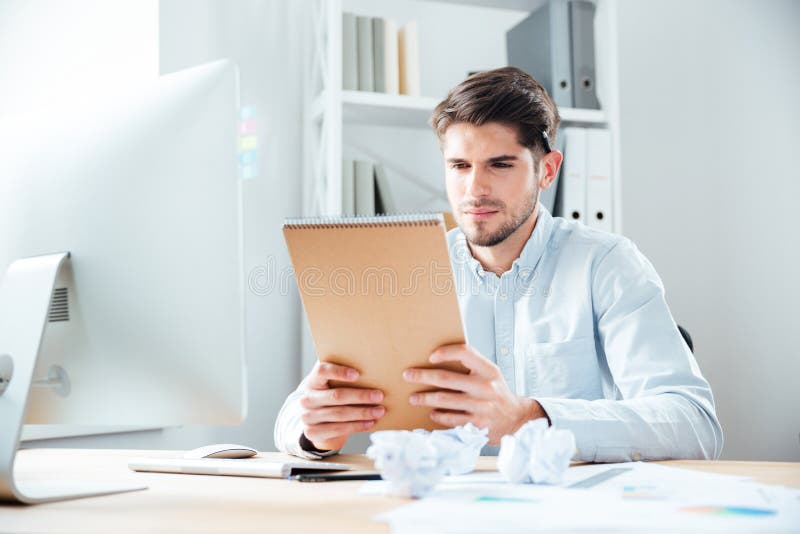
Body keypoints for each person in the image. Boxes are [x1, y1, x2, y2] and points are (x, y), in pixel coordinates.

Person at [274, 67, 723, 462]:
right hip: (437, 512)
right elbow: (295, 415)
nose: (475, 189)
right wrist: (313, 430)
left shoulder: (607, 265)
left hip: (568, 514)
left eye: (500, 164)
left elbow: (694, 423)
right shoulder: (404, 269)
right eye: (459, 165)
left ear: (547, 170)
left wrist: (527, 417)